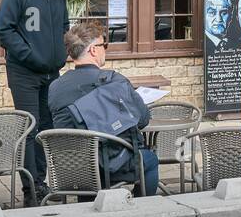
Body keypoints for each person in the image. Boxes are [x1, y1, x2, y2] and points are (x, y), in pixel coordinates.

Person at [48, 21, 159, 197]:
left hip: (70, 168)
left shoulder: (55, 87)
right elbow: (143, 119)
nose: (105, 49)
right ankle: (141, 209)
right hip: (110, 166)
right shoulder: (114, 81)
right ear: (93, 50)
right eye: (103, 45)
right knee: (150, 159)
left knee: (89, 157)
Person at [0, 0, 68, 204]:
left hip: (52, 72)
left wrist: (60, 54)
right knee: (30, 127)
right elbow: (4, 30)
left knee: (47, 128)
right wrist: (30, 55)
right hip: (24, 72)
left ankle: (41, 182)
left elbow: (63, 26)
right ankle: (29, 190)